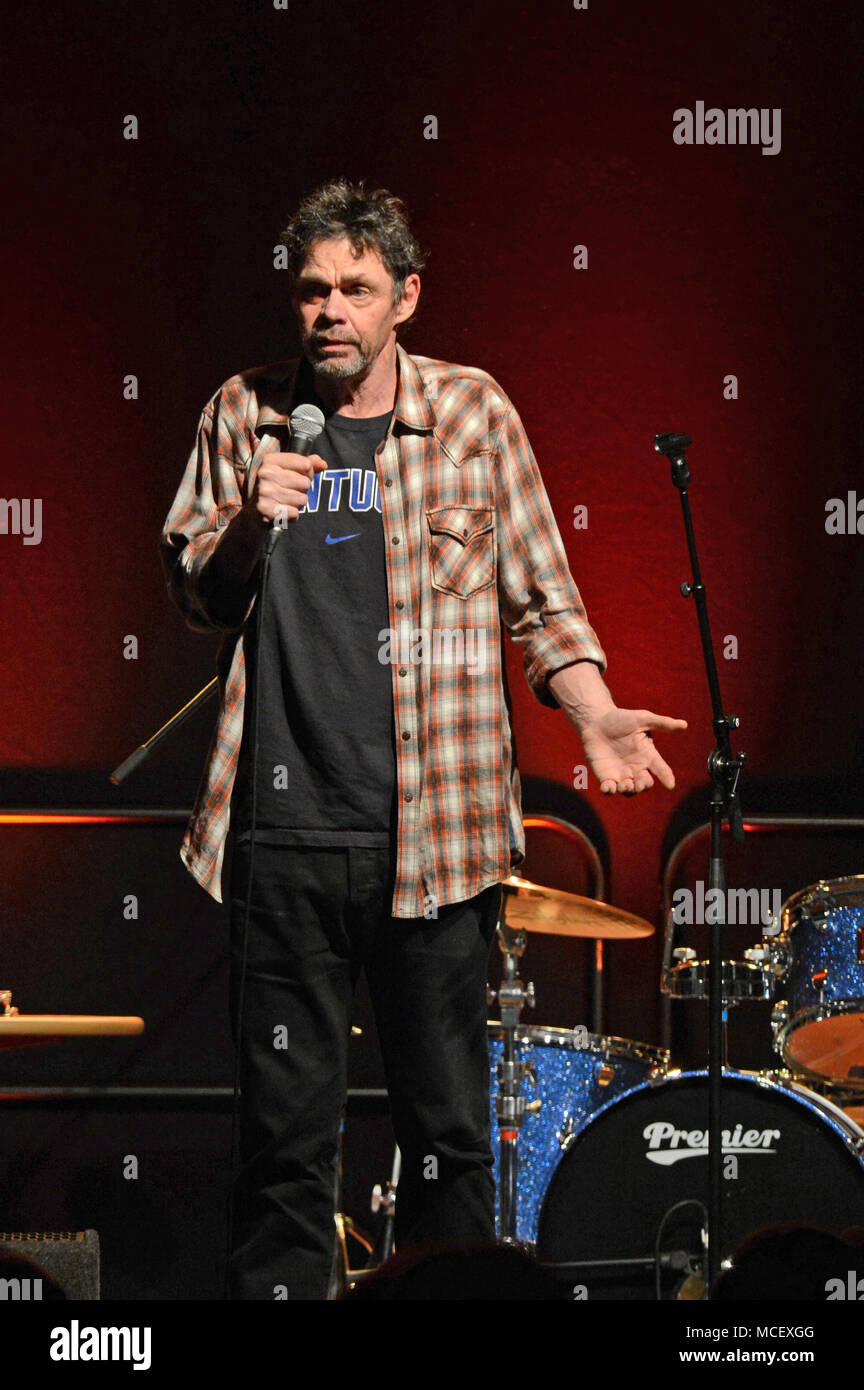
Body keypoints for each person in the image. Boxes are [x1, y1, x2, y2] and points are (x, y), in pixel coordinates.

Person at [160, 179, 687, 1300]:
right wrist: (256, 515)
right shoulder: (241, 412)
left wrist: (591, 709)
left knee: (450, 1138)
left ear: (406, 296)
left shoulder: (474, 413)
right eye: (312, 290)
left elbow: (541, 597)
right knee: (284, 1144)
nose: (331, 311)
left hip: (437, 843)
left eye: (356, 288)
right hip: (283, 838)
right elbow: (199, 595)